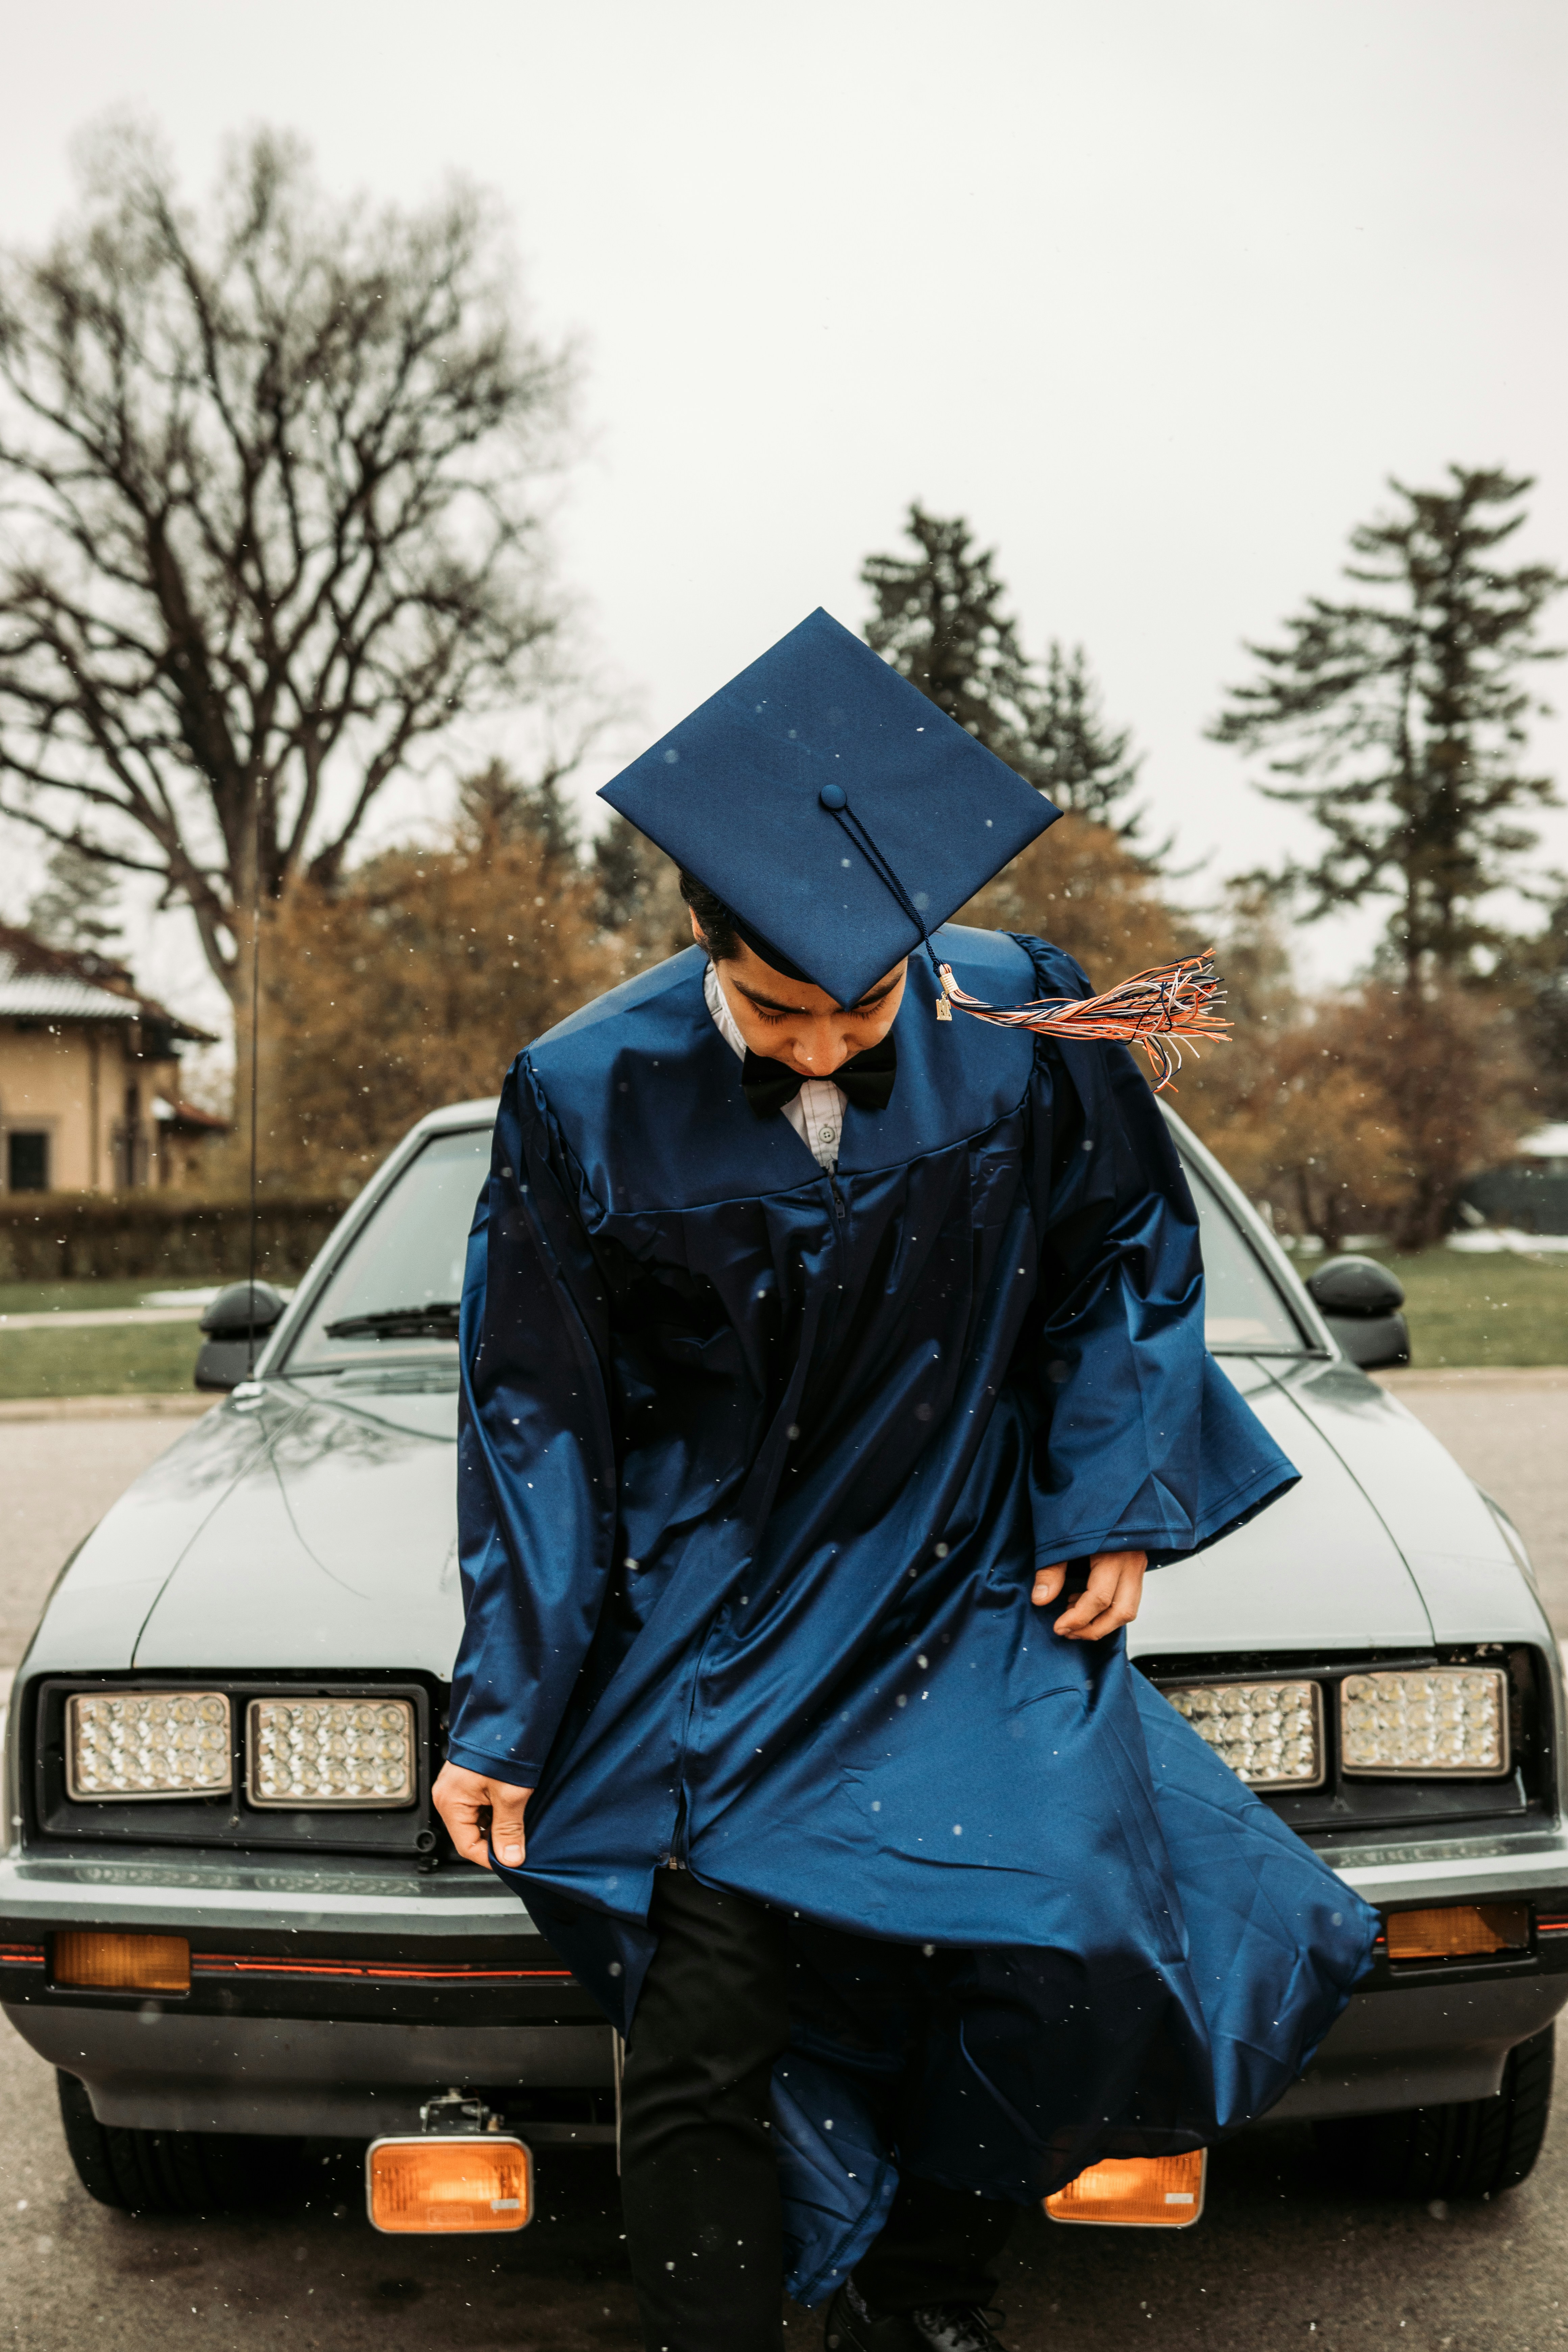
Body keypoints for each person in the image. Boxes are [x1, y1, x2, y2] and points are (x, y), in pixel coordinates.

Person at [433, 609, 1379, 2352]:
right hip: (715, 1609)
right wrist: (508, 1707)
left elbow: (1120, 1258)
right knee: (705, 2017)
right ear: (706, 945)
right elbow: (540, 1412)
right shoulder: (581, 1095)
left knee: (1070, 1946)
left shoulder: (1019, 1011)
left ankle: (928, 2293)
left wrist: (1107, 1493)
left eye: (861, 1006)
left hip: (963, 1572)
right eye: (783, 1014)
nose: (825, 1046)